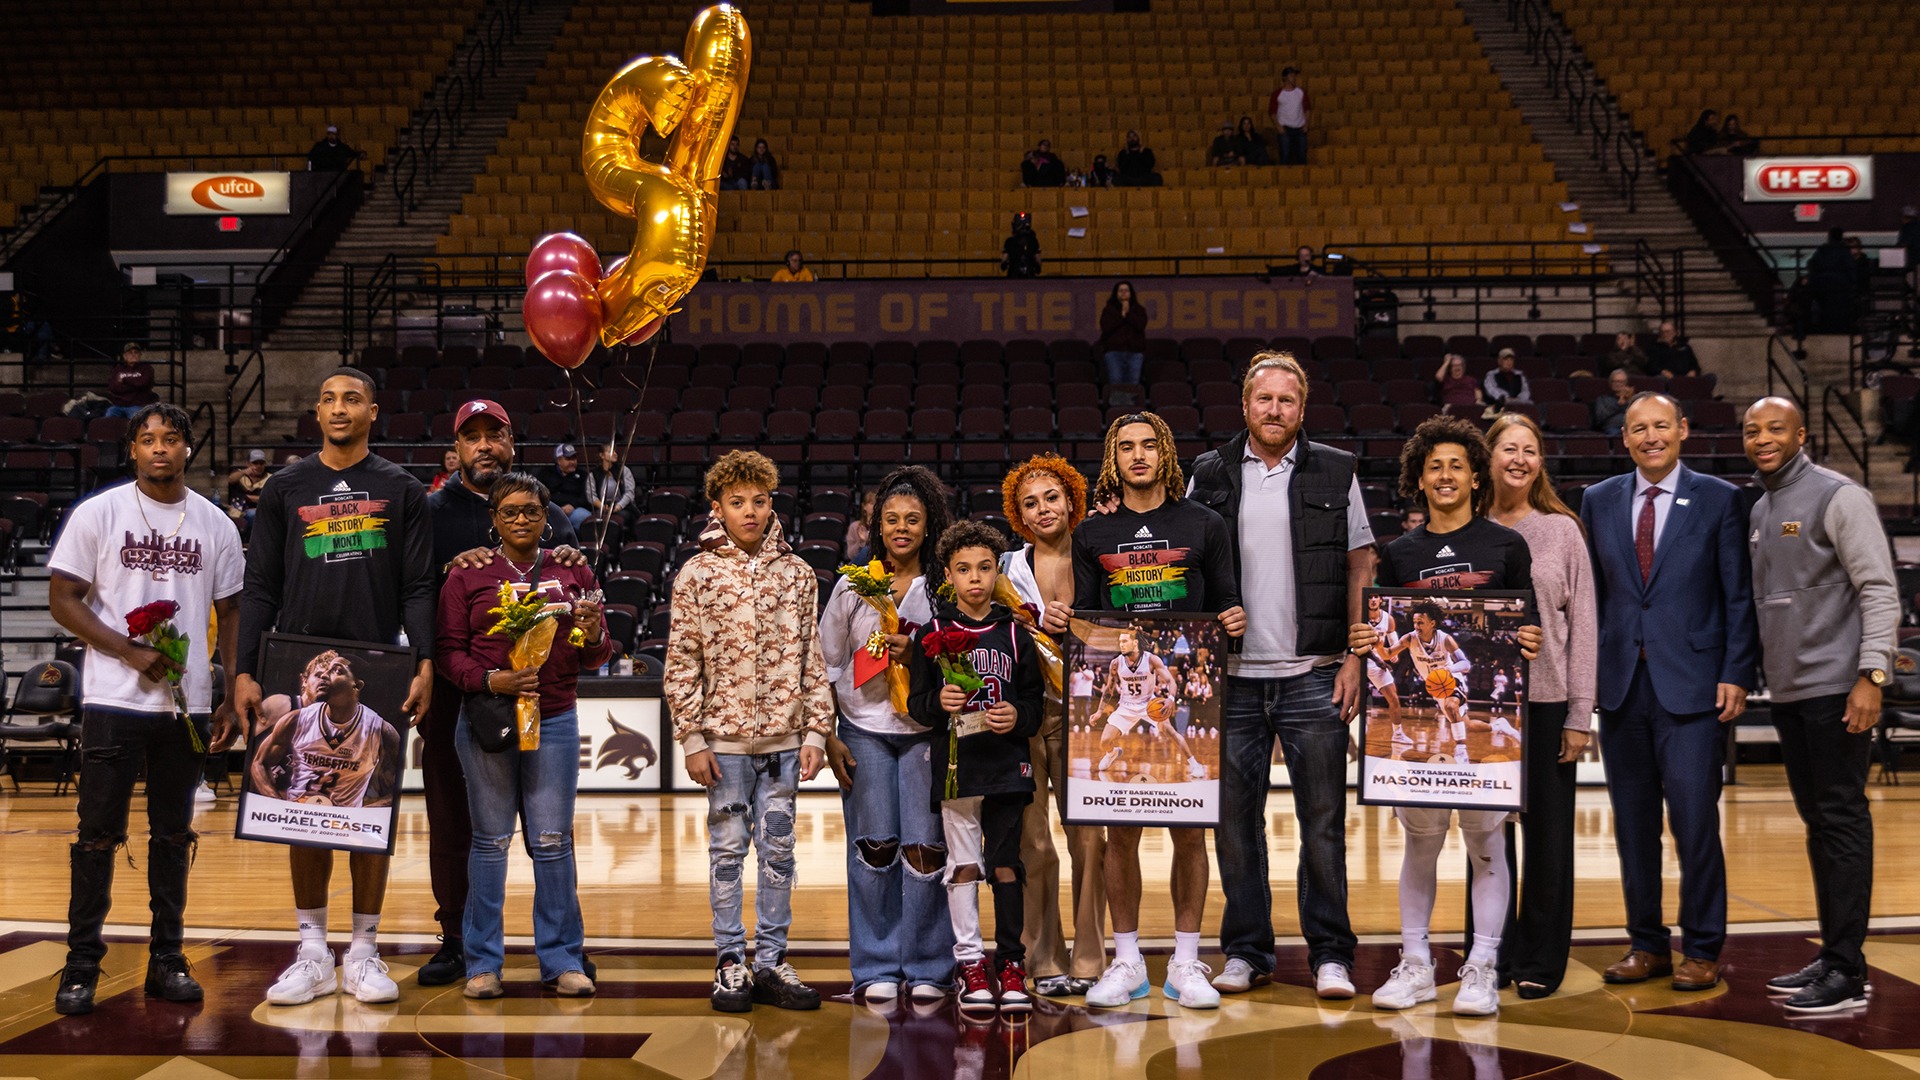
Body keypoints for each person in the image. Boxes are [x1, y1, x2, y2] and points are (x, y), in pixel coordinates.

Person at [235, 368, 436, 1007]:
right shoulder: (286, 487)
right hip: (297, 659)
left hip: (377, 663)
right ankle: (313, 950)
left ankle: (366, 952)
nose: (339, 408)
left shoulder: (400, 488)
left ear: (373, 411)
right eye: (328, 399)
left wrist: (425, 658)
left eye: (352, 399)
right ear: (316, 413)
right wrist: (243, 669)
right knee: (307, 813)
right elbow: (260, 583)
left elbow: (418, 587)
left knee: (369, 809)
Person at [1185, 353, 1376, 1001]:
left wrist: (1355, 658)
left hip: (1314, 674)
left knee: (1322, 821)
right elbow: (1184, 568)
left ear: (1303, 407)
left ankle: (1331, 953)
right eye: (1263, 399)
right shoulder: (1207, 474)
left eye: (1286, 401)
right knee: (1235, 824)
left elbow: (1360, 565)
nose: (1274, 410)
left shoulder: (1336, 469)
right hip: (1232, 679)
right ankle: (1246, 951)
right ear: (1245, 406)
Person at [1041, 412, 1247, 1011]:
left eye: (1148, 446)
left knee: (1189, 831)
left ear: (1166, 453)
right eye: (1125, 447)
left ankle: (1186, 961)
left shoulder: (1204, 524)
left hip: (1180, 685)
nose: (1137, 456)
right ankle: (1126, 961)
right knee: (1119, 834)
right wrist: (1062, 623)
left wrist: (1232, 619)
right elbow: (1084, 621)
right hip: (1124, 692)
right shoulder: (1092, 536)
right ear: (1112, 459)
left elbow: (1228, 604)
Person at [47, 403, 245, 1015]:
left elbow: (233, 612)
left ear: (188, 447)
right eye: (147, 439)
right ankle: (81, 965)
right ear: (132, 449)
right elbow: (63, 598)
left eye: (171, 438)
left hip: (184, 707)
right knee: (96, 835)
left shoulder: (216, 524)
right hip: (112, 699)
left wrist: (230, 688)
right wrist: (126, 652)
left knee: (173, 833)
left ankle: (167, 959)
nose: (160, 448)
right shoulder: (99, 513)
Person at [1347, 413, 1542, 1018]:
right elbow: (1384, 630)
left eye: (1458, 464)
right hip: (1424, 693)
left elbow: (1523, 623)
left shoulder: (1507, 545)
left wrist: (1530, 638)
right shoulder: (1401, 552)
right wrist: (1365, 638)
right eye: (1435, 466)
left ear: (1476, 476)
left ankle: (1482, 967)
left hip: (1462, 683)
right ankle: (1416, 966)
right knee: (1421, 845)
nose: (1447, 474)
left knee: (1487, 845)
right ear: (1419, 478)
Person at [1581, 392, 1756, 995]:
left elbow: (1738, 595)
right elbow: (1596, 600)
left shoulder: (1720, 498)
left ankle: (1703, 948)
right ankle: (1647, 944)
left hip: (1695, 689)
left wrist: (1736, 671)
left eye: (1661, 425)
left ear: (1682, 430)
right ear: (1624, 439)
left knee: (1693, 823)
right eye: (1638, 429)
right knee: (1632, 827)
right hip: (1623, 687)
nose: (1650, 436)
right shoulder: (1598, 500)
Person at [417, 399, 582, 987]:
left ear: (512, 442)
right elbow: (414, 597)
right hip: (459, 695)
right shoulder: (429, 511)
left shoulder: (552, 516)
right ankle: (457, 941)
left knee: (549, 836)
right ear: (455, 448)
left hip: (544, 703)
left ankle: (561, 952)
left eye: (495, 435)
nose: (484, 445)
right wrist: (448, 576)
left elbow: (578, 595)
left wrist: (572, 560)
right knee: (456, 825)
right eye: (472, 437)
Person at [1744, 397, 1897, 1013]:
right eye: (1752, 431)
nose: (1763, 439)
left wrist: (1873, 675)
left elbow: (1880, 589)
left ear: (1801, 434)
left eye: (1775, 429)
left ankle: (1849, 972)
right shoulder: (1760, 507)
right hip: (1791, 693)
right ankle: (1835, 955)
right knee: (1821, 825)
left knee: (1841, 820)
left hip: (1839, 690)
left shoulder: (1840, 495)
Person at [667, 450, 833, 1012]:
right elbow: (682, 662)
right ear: (717, 507)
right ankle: (729, 961)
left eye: (759, 501)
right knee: (728, 851)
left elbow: (814, 658)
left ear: (772, 502)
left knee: (780, 852)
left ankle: (772, 961)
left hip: (786, 745)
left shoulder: (798, 574)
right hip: (724, 746)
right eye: (737, 502)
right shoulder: (697, 574)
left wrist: (815, 732)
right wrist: (692, 737)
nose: (750, 511)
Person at [437, 471, 611, 999]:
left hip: (555, 717)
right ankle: (483, 964)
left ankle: (561, 960)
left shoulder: (571, 571)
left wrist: (594, 627)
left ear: (546, 515)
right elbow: (447, 651)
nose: (520, 519)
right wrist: (492, 679)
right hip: (489, 718)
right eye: (509, 511)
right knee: (489, 843)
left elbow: (596, 653)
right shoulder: (467, 575)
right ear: (493, 518)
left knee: (554, 842)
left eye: (530, 511)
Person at [820, 466, 954, 1002]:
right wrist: (828, 734)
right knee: (874, 848)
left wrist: (917, 653)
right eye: (891, 519)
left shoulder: (943, 586)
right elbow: (825, 663)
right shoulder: (854, 586)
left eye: (913, 519)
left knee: (926, 852)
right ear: (875, 525)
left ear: (929, 525)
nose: (902, 528)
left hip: (925, 729)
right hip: (863, 730)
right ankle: (875, 965)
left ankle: (927, 966)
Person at [909, 521, 1047, 1016]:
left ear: (997, 571)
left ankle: (1011, 963)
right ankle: (970, 964)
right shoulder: (934, 633)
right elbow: (916, 703)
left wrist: (1019, 716)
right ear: (948, 574)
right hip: (958, 769)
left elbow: (1034, 701)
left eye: (985, 568)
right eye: (964, 569)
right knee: (963, 866)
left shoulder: (1014, 631)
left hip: (1008, 766)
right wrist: (937, 701)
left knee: (1006, 865)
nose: (975, 578)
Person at [1484, 413, 1597, 998]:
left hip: (1549, 702)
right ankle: (1492, 954)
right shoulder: (1468, 528)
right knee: (1488, 839)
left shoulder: (1562, 530)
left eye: (1531, 450)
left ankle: (1543, 959)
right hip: (1486, 707)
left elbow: (1585, 627)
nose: (1520, 459)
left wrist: (1581, 714)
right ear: (1490, 457)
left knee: (1548, 840)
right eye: (1509, 448)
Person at [999, 454, 1107, 997]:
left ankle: (1091, 955)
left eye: (1051, 498)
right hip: (1024, 715)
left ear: (1072, 500)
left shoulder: (1101, 560)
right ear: (1018, 515)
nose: (1043, 509)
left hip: (1087, 713)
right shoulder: (1005, 570)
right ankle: (1043, 955)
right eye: (1030, 503)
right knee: (1034, 842)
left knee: (1089, 838)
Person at [248, 650, 401, 808]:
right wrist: (279, 806)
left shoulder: (381, 730)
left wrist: (360, 815)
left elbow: (396, 788)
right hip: (296, 816)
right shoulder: (295, 719)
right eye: (324, 672)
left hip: (343, 824)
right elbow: (259, 763)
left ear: (357, 685)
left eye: (336, 671)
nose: (324, 676)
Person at [1096, 281, 1148, 398]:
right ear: (1116, 293)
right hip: (1114, 352)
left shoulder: (1138, 310)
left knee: (1133, 384)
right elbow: (1106, 327)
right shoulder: (1109, 310)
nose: (1124, 293)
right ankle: (1118, 410)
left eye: (1126, 290)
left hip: (1134, 353)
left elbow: (1140, 326)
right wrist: (1121, 315)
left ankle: (1131, 409)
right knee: (1116, 382)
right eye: (1121, 291)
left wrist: (1128, 314)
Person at [1807, 229, 1858, 334]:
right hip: (1840, 287)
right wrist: (1853, 283)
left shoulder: (1822, 250)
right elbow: (1851, 268)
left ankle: (1824, 330)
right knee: (1839, 314)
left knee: (1825, 313)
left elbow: (1812, 264)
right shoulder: (1843, 251)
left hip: (1822, 287)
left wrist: (1814, 281)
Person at [586, 443, 637, 537]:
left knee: (623, 516)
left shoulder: (624, 470)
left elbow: (630, 493)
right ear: (601, 455)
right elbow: (591, 496)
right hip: (603, 507)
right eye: (610, 451)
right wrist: (603, 506)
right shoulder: (593, 474)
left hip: (621, 506)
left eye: (615, 451)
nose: (615, 454)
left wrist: (618, 506)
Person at [542, 443, 591, 531]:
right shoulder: (546, 474)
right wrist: (555, 508)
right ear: (558, 460)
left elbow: (586, 496)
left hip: (575, 510)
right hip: (552, 511)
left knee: (584, 516)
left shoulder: (583, 475)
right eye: (568, 459)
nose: (573, 462)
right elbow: (540, 494)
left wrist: (572, 505)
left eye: (574, 458)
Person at [1268, 67, 1311, 165]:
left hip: (1300, 128)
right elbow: (1272, 112)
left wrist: (1306, 124)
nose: (1294, 78)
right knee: (1285, 156)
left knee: (1301, 156)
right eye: (1291, 76)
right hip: (1285, 129)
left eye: (1294, 76)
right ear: (1284, 78)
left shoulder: (1301, 92)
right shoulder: (1277, 94)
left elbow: (1307, 109)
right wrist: (1278, 127)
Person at [105, 342, 159, 419]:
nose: (133, 354)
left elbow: (143, 383)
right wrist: (135, 386)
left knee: (135, 421)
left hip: (138, 405)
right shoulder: (118, 369)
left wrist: (124, 380)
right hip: (118, 405)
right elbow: (113, 387)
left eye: (136, 352)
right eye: (130, 353)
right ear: (124, 356)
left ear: (140, 355)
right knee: (108, 417)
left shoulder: (147, 369)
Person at [227, 449, 270, 536]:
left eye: (261, 463)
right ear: (248, 464)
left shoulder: (269, 478)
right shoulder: (240, 476)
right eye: (255, 463)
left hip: (258, 510)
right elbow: (230, 480)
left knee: (252, 514)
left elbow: (269, 498)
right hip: (237, 509)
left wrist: (250, 498)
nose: (258, 466)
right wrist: (245, 471)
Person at [1593, 368, 1634, 435]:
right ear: (1610, 383)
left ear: (1626, 383)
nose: (1618, 384)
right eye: (1615, 381)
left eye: (1621, 382)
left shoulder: (1631, 399)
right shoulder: (1603, 399)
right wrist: (1620, 403)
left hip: (1630, 428)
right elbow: (1601, 418)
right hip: (1612, 428)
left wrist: (1629, 399)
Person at [1002, 213, 1041, 279]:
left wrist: (1003, 264)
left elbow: (1004, 259)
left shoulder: (1010, 241)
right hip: (1027, 274)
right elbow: (1037, 258)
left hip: (1014, 275)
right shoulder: (1033, 241)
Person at [844, 489, 876, 562]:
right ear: (864, 506)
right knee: (865, 551)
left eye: (876, 504)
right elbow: (850, 555)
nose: (874, 506)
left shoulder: (883, 526)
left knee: (867, 550)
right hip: (859, 564)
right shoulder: (854, 527)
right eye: (871, 503)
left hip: (877, 563)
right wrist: (861, 542)